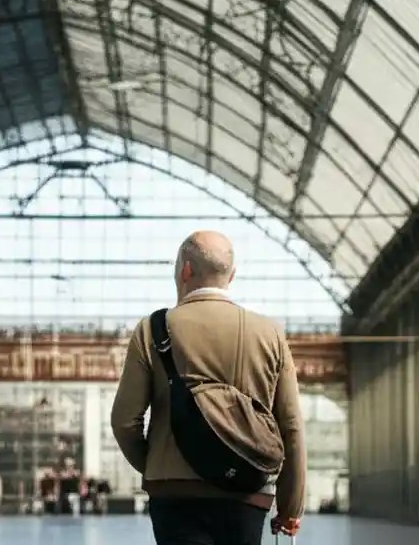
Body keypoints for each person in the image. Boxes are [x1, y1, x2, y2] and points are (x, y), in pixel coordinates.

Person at [111, 231, 306, 545]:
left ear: (185, 270)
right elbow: (292, 426)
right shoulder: (270, 333)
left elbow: (124, 421)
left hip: (175, 495)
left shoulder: (152, 330)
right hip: (247, 491)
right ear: (232, 275)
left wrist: (157, 465)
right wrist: (290, 507)